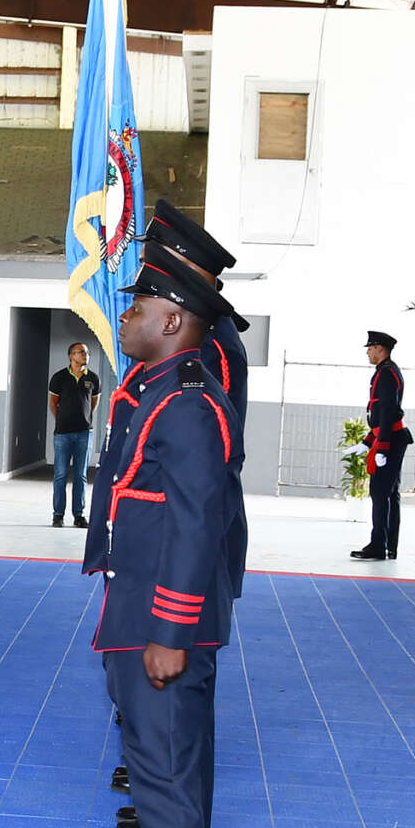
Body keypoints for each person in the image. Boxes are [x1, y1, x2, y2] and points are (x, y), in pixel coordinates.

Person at [73, 241, 242, 828]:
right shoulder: (161, 393)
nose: (126, 313)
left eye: (138, 306)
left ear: (173, 319)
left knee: (167, 783)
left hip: (160, 626)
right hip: (136, 614)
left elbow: (198, 523)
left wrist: (171, 630)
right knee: (156, 777)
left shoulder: (190, 404)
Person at [144, 200, 249, 593]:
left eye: (157, 255)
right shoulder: (198, 333)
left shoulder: (207, 344)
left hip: (184, 545)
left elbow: (200, 469)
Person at [350, 330, 409, 560]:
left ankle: (378, 545)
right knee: (389, 493)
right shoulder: (385, 371)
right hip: (390, 437)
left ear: (380, 349)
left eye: (370, 348)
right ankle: (388, 545)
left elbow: (387, 411)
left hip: (391, 440)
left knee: (381, 492)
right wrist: (367, 443)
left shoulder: (386, 374)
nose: (368, 352)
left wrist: (382, 447)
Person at [49, 342, 100, 528]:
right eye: (81, 352)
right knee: (61, 474)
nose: (86, 355)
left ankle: (79, 515)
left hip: (85, 433)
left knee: (81, 475)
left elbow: (93, 403)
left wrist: (82, 419)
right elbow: (53, 403)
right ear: (71, 356)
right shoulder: (59, 377)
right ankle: (58, 515)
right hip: (63, 434)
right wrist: (63, 419)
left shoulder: (93, 378)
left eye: (87, 352)